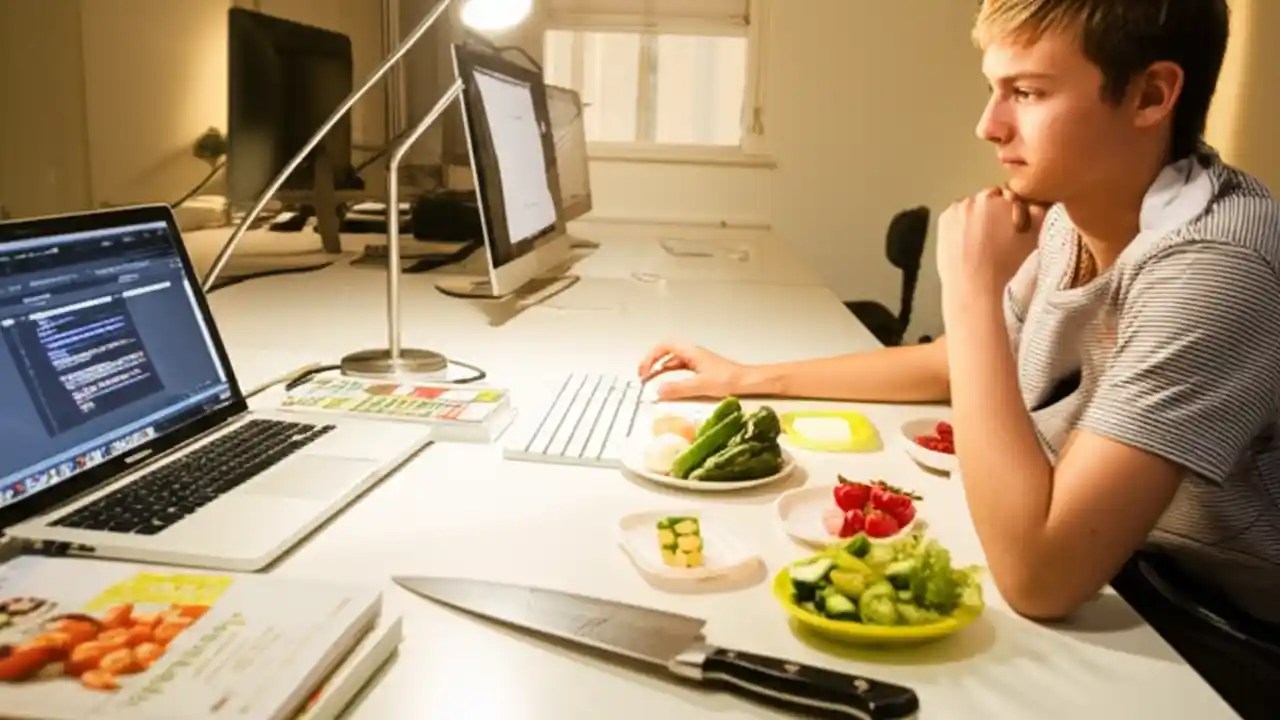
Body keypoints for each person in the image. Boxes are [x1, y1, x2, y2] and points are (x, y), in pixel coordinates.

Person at [637, 1, 1280, 716]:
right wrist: (749, 378)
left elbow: (1042, 577)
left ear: (1152, 94)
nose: (990, 125)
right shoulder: (1082, 207)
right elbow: (957, 366)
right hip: (1121, 581)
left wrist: (972, 287)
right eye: (993, 88)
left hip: (1215, 641)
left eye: (1028, 93)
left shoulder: (1218, 267)